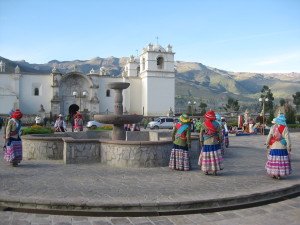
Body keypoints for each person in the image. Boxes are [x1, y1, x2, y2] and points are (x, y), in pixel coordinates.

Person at [265, 114, 292, 179]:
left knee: (274, 161)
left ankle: (274, 174)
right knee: (280, 162)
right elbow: (287, 139)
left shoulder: (273, 127)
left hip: (274, 147)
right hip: (282, 147)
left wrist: (267, 143)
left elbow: (269, 136)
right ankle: (279, 175)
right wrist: (289, 146)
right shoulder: (285, 128)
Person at [198, 110, 223, 175]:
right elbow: (220, 134)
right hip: (214, 143)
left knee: (206, 157)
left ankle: (206, 170)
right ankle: (214, 171)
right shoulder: (217, 124)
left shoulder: (204, 124)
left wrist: (201, 141)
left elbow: (201, 134)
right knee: (214, 157)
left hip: (206, 143)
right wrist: (220, 140)